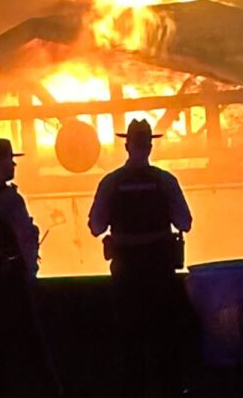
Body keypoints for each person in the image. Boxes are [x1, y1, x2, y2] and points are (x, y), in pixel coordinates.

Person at [89, 119, 194, 397]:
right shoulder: (165, 181)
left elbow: (96, 226)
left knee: (129, 341)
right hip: (160, 273)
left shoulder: (111, 183)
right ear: (150, 146)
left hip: (125, 274)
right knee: (165, 340)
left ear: (127, 146)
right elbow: (184, 222)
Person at [0, 138, 61, 397]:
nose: (13, 165)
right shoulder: (9, 199)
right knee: (34, 349)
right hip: (13, 285)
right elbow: (26, 238)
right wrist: (30, 274)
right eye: (9, 159)